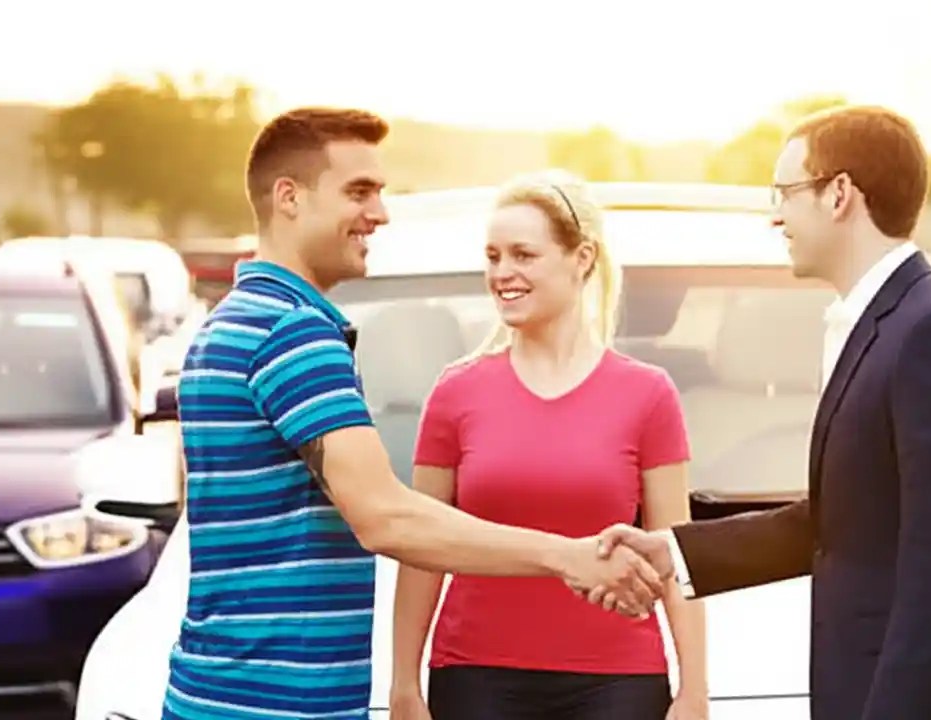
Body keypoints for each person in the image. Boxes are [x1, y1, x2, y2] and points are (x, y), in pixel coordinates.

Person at [163, 109, 669, 720]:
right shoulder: (294, 335)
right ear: (289, 198)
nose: (379, 213)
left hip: (211, 694)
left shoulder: (222, 329)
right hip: (278, 706)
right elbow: (385, 517)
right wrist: (566, 555)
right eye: (359, 192)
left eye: (379, 192)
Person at [594, 105, 931, 720]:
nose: (776, 214)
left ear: (839, 195)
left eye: (785, 192)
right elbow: (844, 524)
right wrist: (676, 551)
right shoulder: (881, 324)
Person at [388, 170, 709, 720]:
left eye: (523, 255)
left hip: (618, 681)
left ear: (581, 258)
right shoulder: (456, 392)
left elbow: (675, 556)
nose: (502, 273)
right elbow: (423, 551)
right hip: (475, 677)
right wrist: (403, 686)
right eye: (492, 257)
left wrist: (695, 689)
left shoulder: (647, 394)